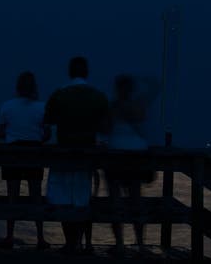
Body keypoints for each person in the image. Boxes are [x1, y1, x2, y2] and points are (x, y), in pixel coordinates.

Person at [44, 57, 109, 254]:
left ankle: (70, 242)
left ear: (70, 72)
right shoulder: (98, 97)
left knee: (64, 199)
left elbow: (48, 121)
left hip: (63, 153)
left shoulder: (59, 95)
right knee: (82, 199)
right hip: (86, 154)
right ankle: (81, 242)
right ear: (87, 72)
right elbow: (105, 125)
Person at [0, 71, 50, 250]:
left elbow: (0, 132)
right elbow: (47, 133)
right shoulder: (41, 107)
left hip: (13, 152)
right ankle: (41, 238)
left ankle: (10, 236)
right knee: (36, 196)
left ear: (17, 87)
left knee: (12, 196)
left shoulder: (7, 106)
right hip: (34, 151)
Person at [106, 75, 160, 254]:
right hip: (134, 157)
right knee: (134, 202)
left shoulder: (113, 107)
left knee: (118, 203)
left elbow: (104, 129)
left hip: (116, 157)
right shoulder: (136, 106)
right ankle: (139, 243)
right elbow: (141, 118)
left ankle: (121, 243)